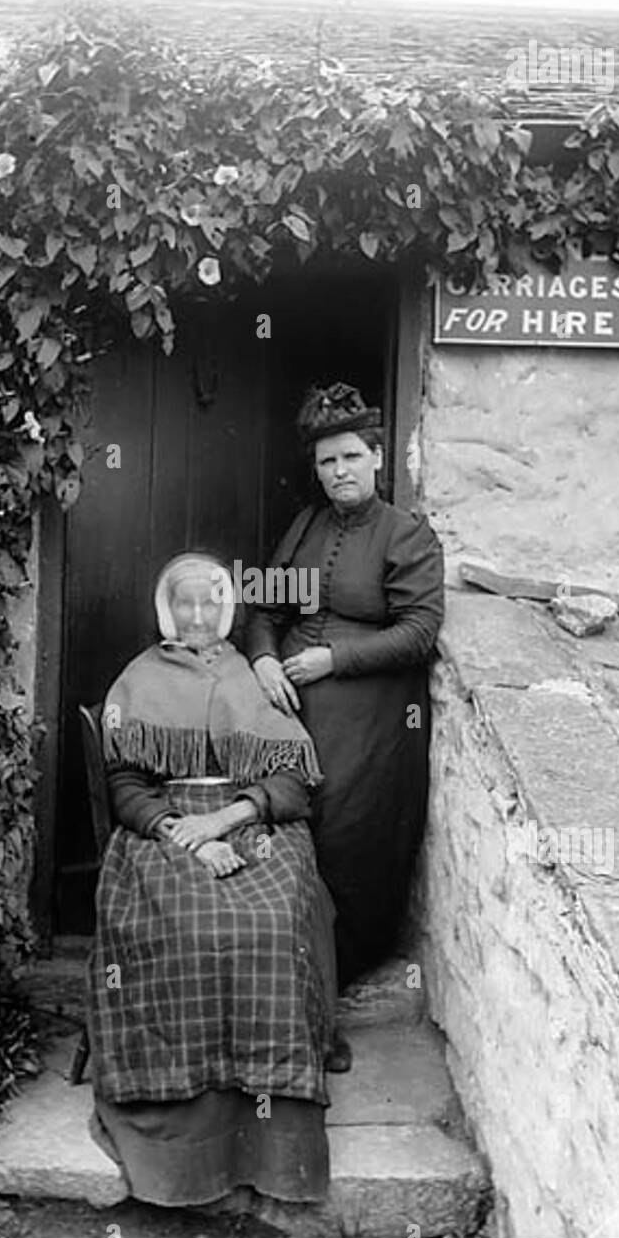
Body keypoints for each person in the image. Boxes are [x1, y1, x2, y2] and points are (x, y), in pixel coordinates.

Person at [84, 552, 337, 1208]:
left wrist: (227, 820)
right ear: (167, 610)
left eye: (208, 604)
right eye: (184, 604)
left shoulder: (248, 676)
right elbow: (124, 786)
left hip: (251, 818)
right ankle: (181, 1133)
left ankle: (276, 1138)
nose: (196, 617)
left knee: (273, 921)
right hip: (163, 830)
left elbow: (292, 780)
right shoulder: (137, 679)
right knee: (188, 927)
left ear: (224, 610)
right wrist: (185, 837)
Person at [246, 382, 445, 1069]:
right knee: (269, 834)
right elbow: (263, 605)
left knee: (339, 844)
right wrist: (266, 658)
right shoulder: (305, 526)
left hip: (368, 713)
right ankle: (265, 1001)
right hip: (286, 707)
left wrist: (333, 658)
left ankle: (320, 1009)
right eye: (328, 462)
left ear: (377, 459)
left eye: (352, 458)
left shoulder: (406, 535)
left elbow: (418, 632)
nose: (339, 472)